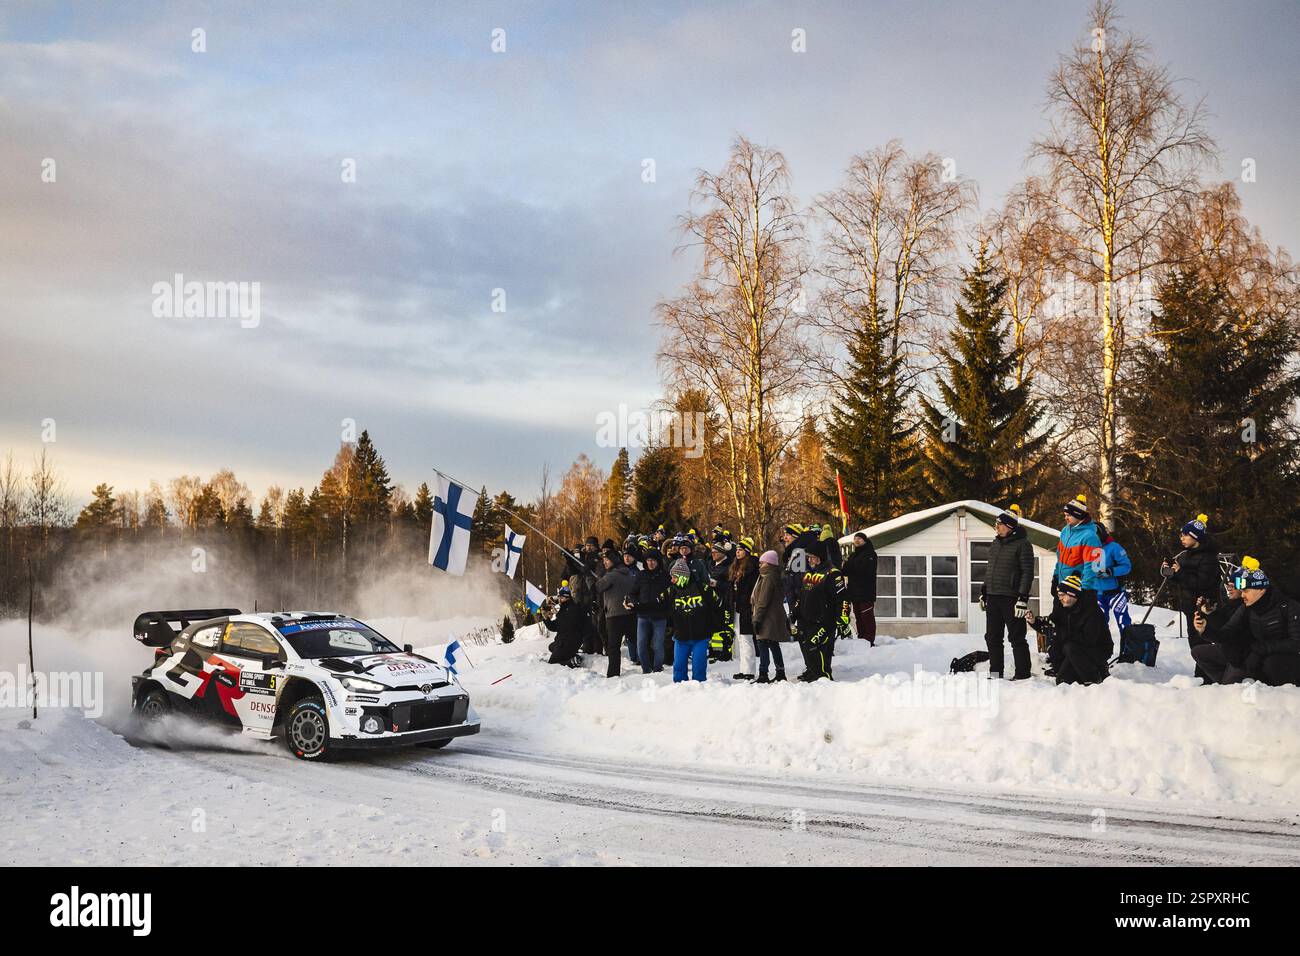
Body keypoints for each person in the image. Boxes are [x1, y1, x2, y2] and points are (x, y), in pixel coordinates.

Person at [1192, 557, 1300, 686]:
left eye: (1246, 591)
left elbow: (1296, 643)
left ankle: (1280, 694)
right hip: (1250, 656)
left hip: (1281, 660)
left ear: (1261, 589)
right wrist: (1205, 630)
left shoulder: (1289, 606)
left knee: (1271, 663)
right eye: (1242, 591)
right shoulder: (1246, 608)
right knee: (1231, 685)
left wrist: (1262, 648)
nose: (1242, 595)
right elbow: (1228, 632)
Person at [1025, 574, 1111, 685]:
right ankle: (1071, 671)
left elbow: (1089, 639)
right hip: (1074, 648)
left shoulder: (1092, 610)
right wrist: (1034, 622)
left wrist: (1061, 632)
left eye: (1062, 595)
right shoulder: (1062, 607)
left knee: (1069, 646)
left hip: (1097, 648)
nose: (1059, 598)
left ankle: (1094, 676)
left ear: (1072, 594)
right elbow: (1051, 625)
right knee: (1063, 681)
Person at [980, 507, 1034, 680]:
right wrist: (984, 592)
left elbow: (1027, 572)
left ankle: (1023, 675)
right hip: (993, 597)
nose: (997, 527)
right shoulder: (996, 543)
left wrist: (1022, 598)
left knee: (1017, 638)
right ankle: (995, 673)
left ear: (1009, 526)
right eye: (996, 524)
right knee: (992, 637)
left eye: (1000, 524)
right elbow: (990, 570)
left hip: (1012, 598)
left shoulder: (1023, 544)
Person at [1163, 514, 1223, 642]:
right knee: (1194, 645)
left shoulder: (1209, 558)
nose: (1182, 538)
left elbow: (1202, 584)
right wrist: (1170, 572)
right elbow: (1181, 580)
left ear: (1196, 537)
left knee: (1203, 645)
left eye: (1185, 535)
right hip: (1189, 607)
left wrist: (1180, 572)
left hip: (1204, 609)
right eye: (1181, 535)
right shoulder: (1185, 555)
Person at [794, 540, 847, 682]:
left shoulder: (833, 573)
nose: (809, 560)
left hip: (825, 621)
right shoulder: (807, 573)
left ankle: (824, 676)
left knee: (815, 645)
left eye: (812, 557)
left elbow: (842, 598)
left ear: (820, 557)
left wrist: (843, 619)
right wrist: (794, 613)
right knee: (806, 646)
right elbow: (802, 595)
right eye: (808, 557)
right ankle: (813, 672)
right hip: (807, 620)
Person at [669, 557, 719, 683]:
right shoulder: (672, 591)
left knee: (699, 668)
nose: (672, 580)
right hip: (680, 637)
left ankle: (699, 694)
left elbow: (718, 605)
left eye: (674, 577)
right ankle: (679, 691)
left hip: (700, 637)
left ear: (682, 576)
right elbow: (658, 605)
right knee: (679, 667)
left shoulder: (702, 588)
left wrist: (715, 627)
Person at [594, 549, 639, 677]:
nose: (605, 563)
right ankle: (650, 666)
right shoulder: (628, 573)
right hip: (630, 613)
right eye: (603, 561)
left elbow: (597, 588)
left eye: (607, 560)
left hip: (614, 616)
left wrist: (588, 576)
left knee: (613, 647)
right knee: (637, 641)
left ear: (613, 561)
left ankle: (613, 674)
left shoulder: (611, 576)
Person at [628, 550, 671, 673]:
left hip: (659, 616)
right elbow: (632, 592)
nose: (650, 563)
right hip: (643, 615)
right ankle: (646, 669)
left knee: (658, 645)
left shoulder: (665, 576)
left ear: (658, 561)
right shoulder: (641, 575)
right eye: (648, 561)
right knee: (641, 645)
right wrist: (636, 603)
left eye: (653, 560)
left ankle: (658, 669)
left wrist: (665, 608)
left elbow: (670, 595)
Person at [751, 549, 790, 682]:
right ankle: (780, 672)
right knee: (773, 644)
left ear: (769, 563)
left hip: (767, 617)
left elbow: (763, 601)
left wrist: (757, 619)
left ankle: (763, 674)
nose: (760, 565)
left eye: (762, 562)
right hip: (774, 616)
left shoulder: (768, 577)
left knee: (763, 644)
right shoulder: (773, 576)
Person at [1093, 521, 1133, 641]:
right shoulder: (1088, 548)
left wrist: (1111, 571)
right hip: (1096, 593)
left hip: (1115, 592)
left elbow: (1126, 566)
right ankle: (1100, 653)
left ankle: (1128, 651)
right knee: (1098, 624)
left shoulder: (1114, 547)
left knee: (1123, 622)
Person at [728, 537, 760, 680]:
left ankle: (749, 671)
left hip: (746, 607)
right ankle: (743, 668)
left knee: (746, 639)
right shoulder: (736, 566)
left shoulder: (751, 567)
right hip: (737, 607)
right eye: (737, 550)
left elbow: (749, 590)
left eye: (740, 550)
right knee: (740, 638)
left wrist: (747, 604)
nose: (737, 552)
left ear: (746, 552)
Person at [843, 532, 878, 644]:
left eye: (859, 538)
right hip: (854, 592)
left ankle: (869, 640)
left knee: (867, 617)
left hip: (866, 592)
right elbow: (845, 570)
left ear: (865, 540)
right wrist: (850, 568)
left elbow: (865, 571)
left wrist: (851, 568)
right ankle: (861, 639)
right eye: (855, 538)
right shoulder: (853, 555)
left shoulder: (870, 554)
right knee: (858, 617)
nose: (857, 540)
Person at [542, 584, 585, 666]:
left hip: (569, 642)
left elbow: (567, 625)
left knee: (552, 663)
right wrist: (546, 619)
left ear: (567, 597)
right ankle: (570, 656)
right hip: (563, 641)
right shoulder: (564, 608)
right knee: (551, 647)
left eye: (561, 597)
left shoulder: (572, 608)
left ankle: (571, 662)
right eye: (559, 597)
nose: (559, 599)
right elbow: (555, 627)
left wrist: (558, 614)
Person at [707, 540, 734, 662]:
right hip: (712, 602)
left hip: (725, 601)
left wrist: (716, 583)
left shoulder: (729, 566)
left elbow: (730, 586)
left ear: (723, 553)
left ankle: (725, 651)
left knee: (724, 628)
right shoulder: (711, 565)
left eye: (715, 552)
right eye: (712, 552)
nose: (713, 554)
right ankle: (714, 651)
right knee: (713, 627)